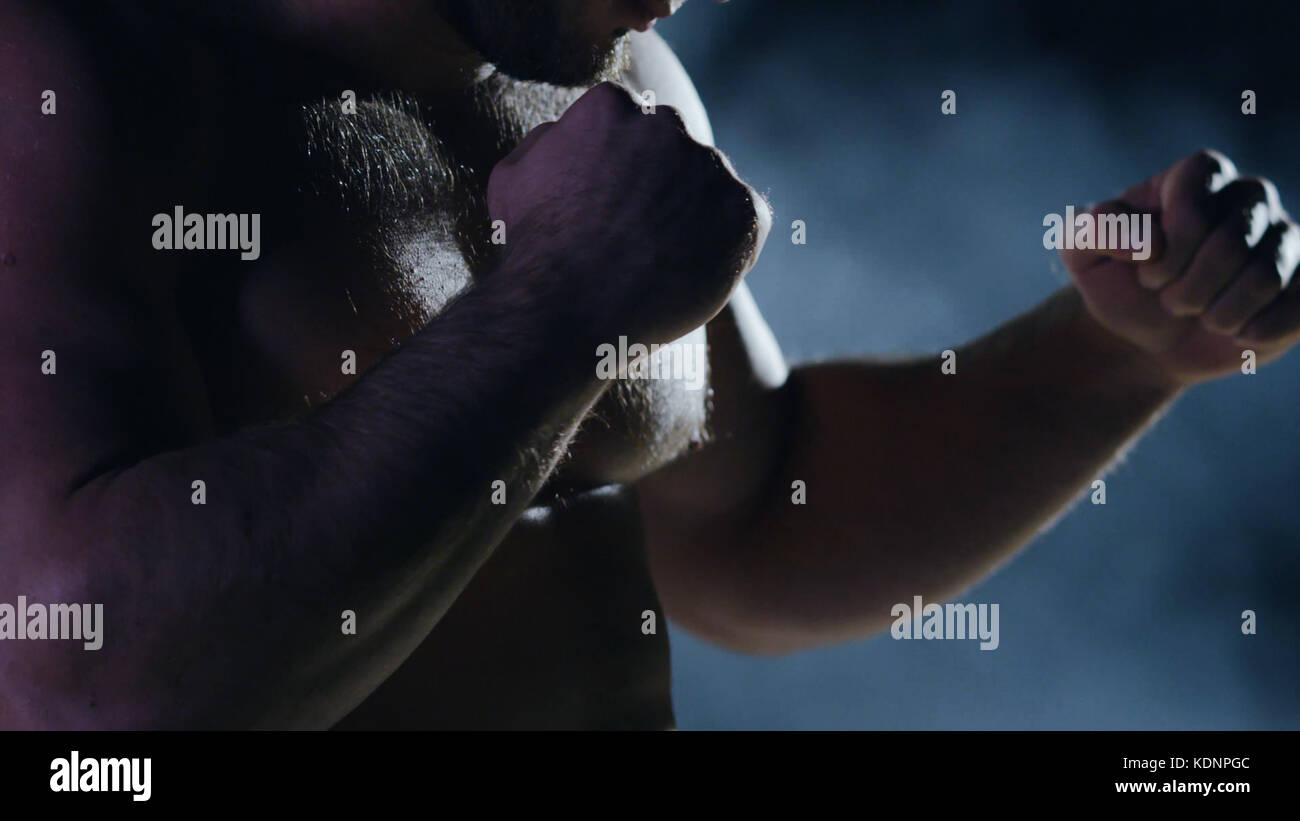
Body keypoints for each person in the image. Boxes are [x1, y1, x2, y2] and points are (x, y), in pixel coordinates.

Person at [0, 0, 1295, 729]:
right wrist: (572, 295)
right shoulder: (69, 75)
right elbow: (81, 683)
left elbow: (752, 529)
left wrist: (1120, 353)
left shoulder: (600, 64)